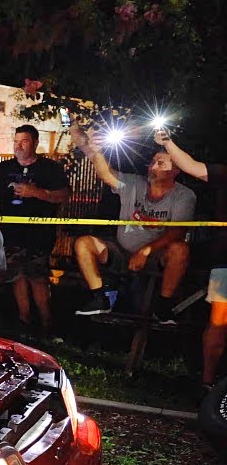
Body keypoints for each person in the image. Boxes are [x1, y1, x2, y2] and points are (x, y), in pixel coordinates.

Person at [70, 124, 195, 323]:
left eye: (160, 163)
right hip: (121, 250)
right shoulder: (134, 183)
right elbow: (106, 174)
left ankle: (163, 306)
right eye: (152, 162)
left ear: (176, 170)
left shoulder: (183, 195)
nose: (152, 167)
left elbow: (177, 232)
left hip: (156, 256)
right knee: (83, 243)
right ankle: (99, 298)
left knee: (180, 249)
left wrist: (146, 251)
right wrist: (96, 151)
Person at [156, 130, 227, 392]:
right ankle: (207, 382)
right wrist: (167, 143)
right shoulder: (223, 173)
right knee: (220, 321)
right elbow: (191, 167)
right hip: (226, 259)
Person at [0, 125, 71, 333]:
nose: (18, 146)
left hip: (38, 233)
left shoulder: (50, 169)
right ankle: (24, 319)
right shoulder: (4, 169)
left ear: (35, 142)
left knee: (37, 276)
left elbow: (62, 195)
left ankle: (46, 322)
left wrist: (36, 193)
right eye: (16, 141)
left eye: (24, 141)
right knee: (17, 276)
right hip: (10, 232)